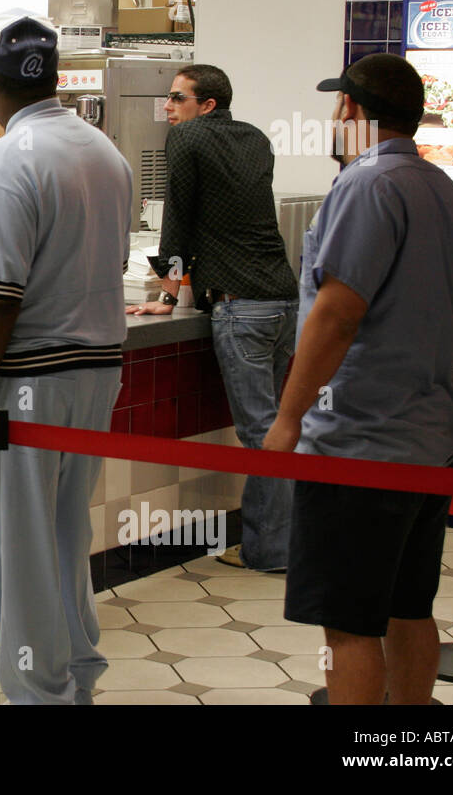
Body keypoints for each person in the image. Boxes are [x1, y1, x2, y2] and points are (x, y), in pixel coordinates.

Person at [263, 53, 453, 705]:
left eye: (337, 107)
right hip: (429, 438)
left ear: (351, 110)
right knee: (409, 607)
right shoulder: (448, 192)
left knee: (349, 623)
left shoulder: (365, 184)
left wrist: (288, 418)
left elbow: (338, 313)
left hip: (358, 445)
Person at [0, 8, 133, 705]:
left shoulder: (4, 164)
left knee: (22, 550)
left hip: (28, 380)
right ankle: (77, 677)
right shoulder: (103, 151)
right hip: (95, 372)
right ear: (56, 78)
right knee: (64, 533)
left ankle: (38, 693)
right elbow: (113, 261)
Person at [127, 64, 299, 573]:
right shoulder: (256, 138)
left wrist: (168, 290)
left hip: (241, 305)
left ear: (206, 105)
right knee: (279, 429)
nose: (167, 107)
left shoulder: (189, 138)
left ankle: (272, 551)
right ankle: (287, 541)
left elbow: (177, 214)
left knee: (262, 435)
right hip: (283, 296)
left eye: (177, 98)